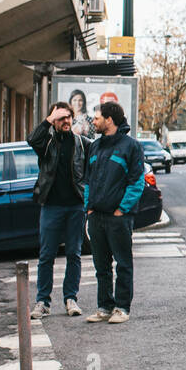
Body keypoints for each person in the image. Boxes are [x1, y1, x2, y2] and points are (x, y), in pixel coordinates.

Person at [26, 102, 89, 319]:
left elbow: (92, 169)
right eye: (61, 118)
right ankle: (43, 301)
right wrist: (48, 120)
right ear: (54, 119)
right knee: (46, 256)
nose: (65, 121)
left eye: (68, 117)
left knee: (74, 253)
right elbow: (32, 139)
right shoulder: (47, 144)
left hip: (75, 207)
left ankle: (71, 299)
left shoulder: (81, 143)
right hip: (51, 206)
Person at [83, 100, 144, 324]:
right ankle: (104, 307)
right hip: (96, 216)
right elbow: (88, 180)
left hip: (118, 218)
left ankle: (122, 308)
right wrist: (88, 207)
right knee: (101, 266)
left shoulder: (131, 146)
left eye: (97, 117)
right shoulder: (95, 146)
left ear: (109, 120)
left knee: (123, 264)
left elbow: (136, 183)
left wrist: (121, 210)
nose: (94, 121)